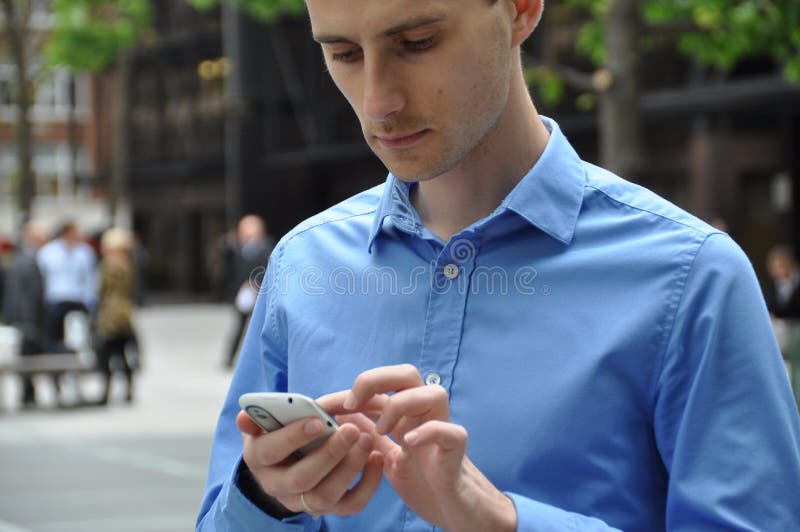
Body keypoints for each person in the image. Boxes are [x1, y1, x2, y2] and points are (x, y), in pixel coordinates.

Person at [198, 1, 800, 530]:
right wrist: (267, 501)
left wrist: (505, 523)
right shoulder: (302, 264)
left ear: (521, 8)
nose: (378, 101)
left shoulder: (692, 279)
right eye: (344, 52)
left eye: (417, 43)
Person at [1, 221, 49, 407]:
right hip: (27, 319)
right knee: (27, 355)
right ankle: (28, 393)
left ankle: (29, 392)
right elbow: (25, 294)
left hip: (24, 317)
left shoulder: (21, 258)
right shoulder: (26, 260)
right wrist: (27, 320)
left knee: (28, 355)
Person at [222, 214, 275, 369]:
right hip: (242, 294)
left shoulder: (266, 247)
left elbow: (268, 270)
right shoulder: (237, 248)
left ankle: (261, 360)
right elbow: (229, 270)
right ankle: (230, 358)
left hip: (259, 293)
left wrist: (257, 284)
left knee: (260, 328)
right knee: (239, 327)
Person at [93, 228, 139, 405]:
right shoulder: (129, 267)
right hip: (124, 314)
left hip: (110, 316)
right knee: (122, 354)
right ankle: (127, 390)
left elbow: (101, 291)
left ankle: (107, 391)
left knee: (107, 354)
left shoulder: (107, 267)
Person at [37, 221, 97, 344]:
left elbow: (90, 277)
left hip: (78, 297)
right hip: (55, 298)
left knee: (79, 334)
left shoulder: (85, 252)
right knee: (54, 333)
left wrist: (90, 299)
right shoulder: (48, 252)